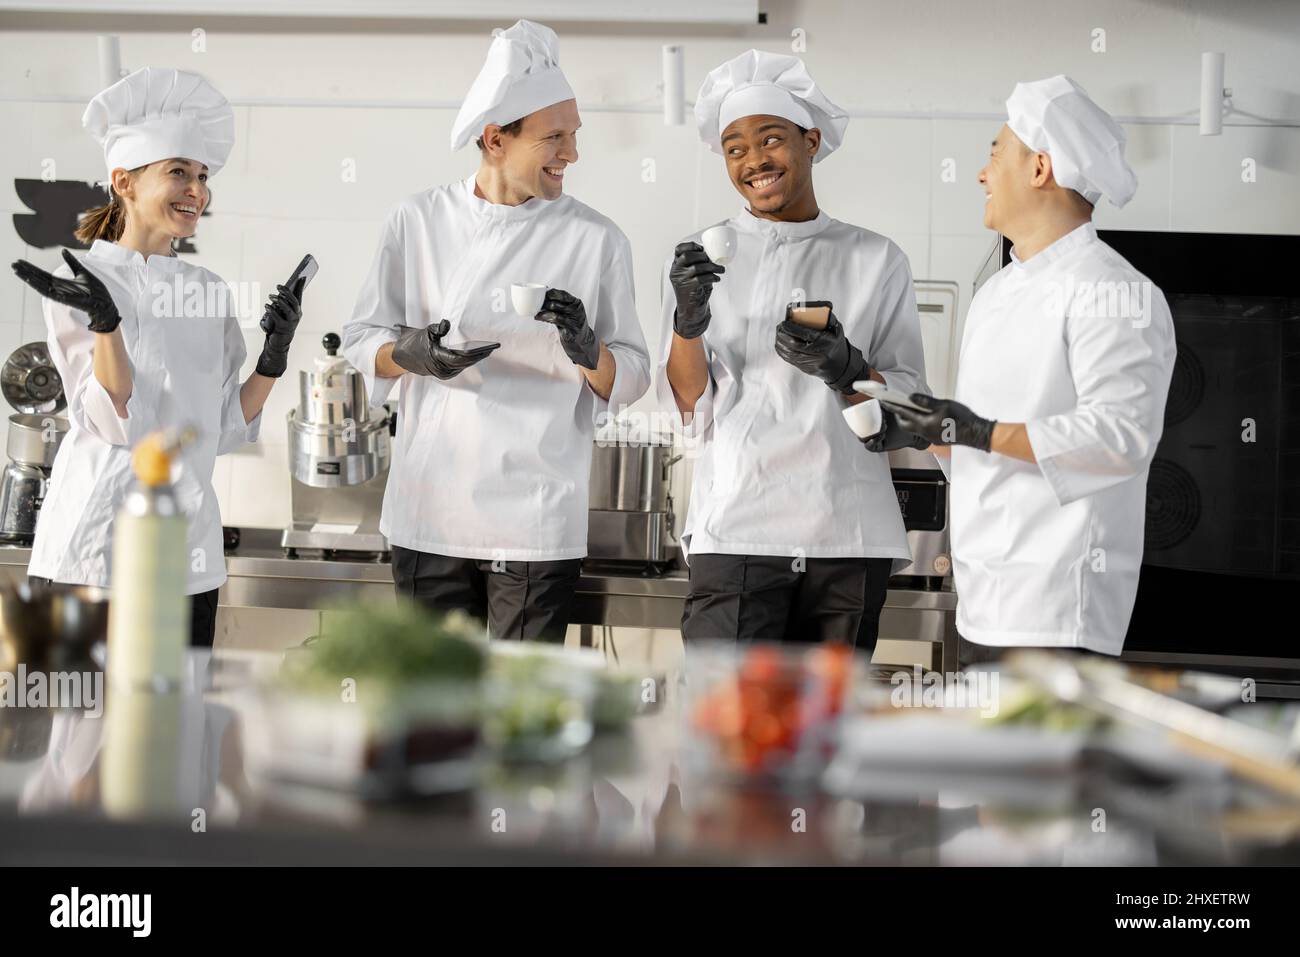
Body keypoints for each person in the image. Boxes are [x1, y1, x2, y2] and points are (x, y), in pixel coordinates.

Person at [342, 20, 650, 642]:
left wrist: (591, 353)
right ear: (494, 139)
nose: (572, 154)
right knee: (432, 713)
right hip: (429, 508)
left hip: (535, 515)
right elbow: (360, 338)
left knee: (519, 715)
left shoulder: (596, 239)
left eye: (574, 135)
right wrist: (411, 354)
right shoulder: (418, 219)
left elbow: (635, 372)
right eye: (554, 137)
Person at [11, 67, 302, 648]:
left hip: (189, 557)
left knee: (179, 730)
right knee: (79, 734)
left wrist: (272, 360)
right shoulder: (81, 278)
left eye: (202, 175)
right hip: (95, 555)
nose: (196, 189)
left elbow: (220, 426)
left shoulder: (208, 290)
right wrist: (107, 325)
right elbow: (111, 419)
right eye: (178, 172)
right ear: (123, 180)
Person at [889, 75, 1177, 660]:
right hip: (981, 602)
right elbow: (984, 452)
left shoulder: (1115, 290)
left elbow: (1119, 439)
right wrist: (926, 433)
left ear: (1040, 168)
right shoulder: (997, 293)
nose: (981, 173)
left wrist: (975, 430)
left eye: (994, 153)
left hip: (1058, 609)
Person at [658, 50, 930, 647]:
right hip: (736, 528)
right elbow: (686, 399)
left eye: (771, 139)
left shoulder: (876, 258)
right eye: (735, 147)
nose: (754, 160)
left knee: (823, 730)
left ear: (811, 141)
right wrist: (688, 319)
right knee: (726, 725)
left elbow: (912, 409)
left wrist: (848, 369)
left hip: (846, 534)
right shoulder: (700, 258)